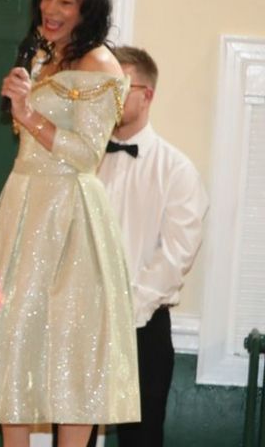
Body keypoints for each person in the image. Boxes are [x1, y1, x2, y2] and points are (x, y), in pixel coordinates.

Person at [0, 0, 141, 447]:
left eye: (67, 0)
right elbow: (31, 140)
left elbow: (84, 154)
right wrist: (23, 107)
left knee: (72, 348)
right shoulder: (40, 56)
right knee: (12, 338)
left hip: (69, 217)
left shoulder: (101, 65)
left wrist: (28, 111)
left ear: (88, 9)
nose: (52, 8)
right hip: (23, 208)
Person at [88, 46, 208, 447]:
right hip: (81, 320)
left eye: (120, 86)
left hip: (143, 327)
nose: (111, 97)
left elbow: (175, 255)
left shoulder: (177, 170)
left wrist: (125, 309)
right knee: (70, 436)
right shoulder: (82, 159)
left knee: (141, 440)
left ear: (147, 94)